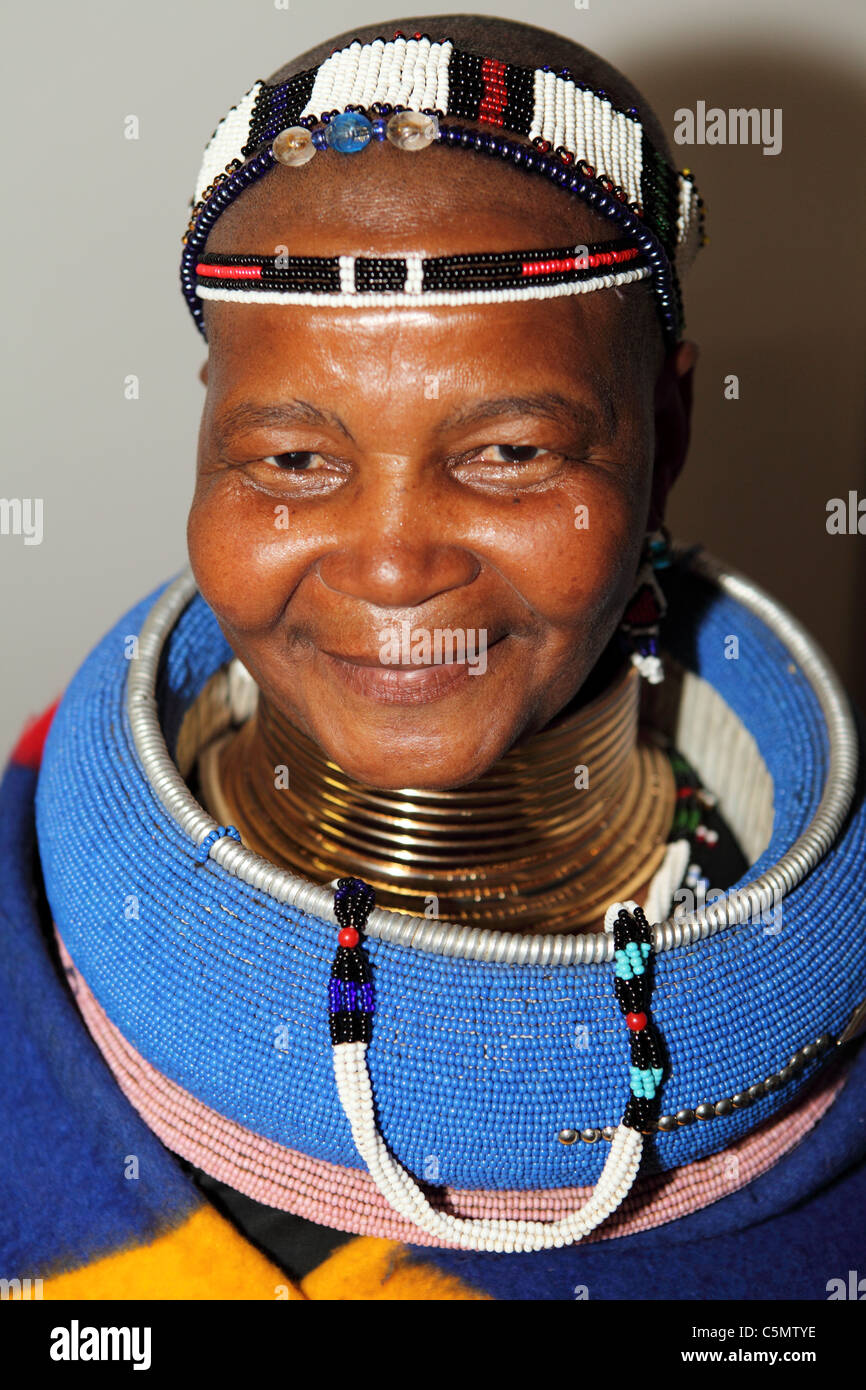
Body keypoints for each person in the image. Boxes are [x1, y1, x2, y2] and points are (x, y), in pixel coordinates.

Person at [2, 14, 864, 1301]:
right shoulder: (33, 873)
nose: (393, 564)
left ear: (666, 432)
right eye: (293, 461)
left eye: (508, 454)